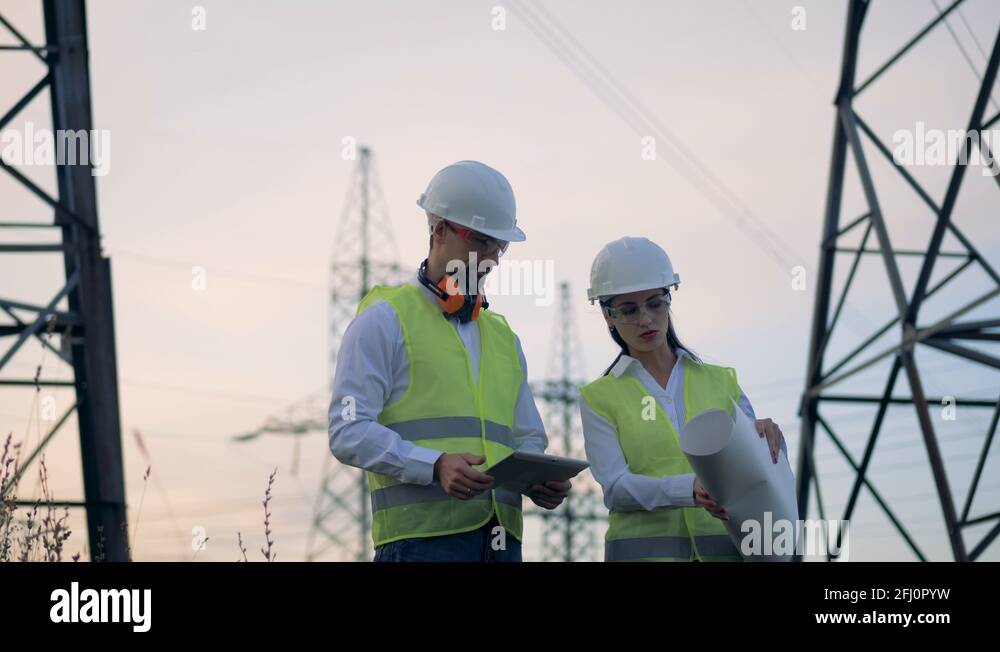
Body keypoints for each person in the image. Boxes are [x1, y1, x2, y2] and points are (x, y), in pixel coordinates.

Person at [328, 160, 571, 562]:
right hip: (418, 544)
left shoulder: (503, 338)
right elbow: (347, 429)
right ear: (438, 230)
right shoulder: (384, 320)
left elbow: (528, 436)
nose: (492, 256)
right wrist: (434, 464)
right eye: (480, 240)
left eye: (500, 245)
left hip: (502, 543)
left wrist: (539, 478)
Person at [579, 236, 785, 562]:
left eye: (655, 303)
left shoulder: (722, 382)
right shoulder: (598, 398)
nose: (646, 318)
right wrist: (687, 489)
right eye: (629, 309)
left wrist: (766, 439)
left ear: (669, 298)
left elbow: (754, 474)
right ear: (608, 315)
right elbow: (616, 489)